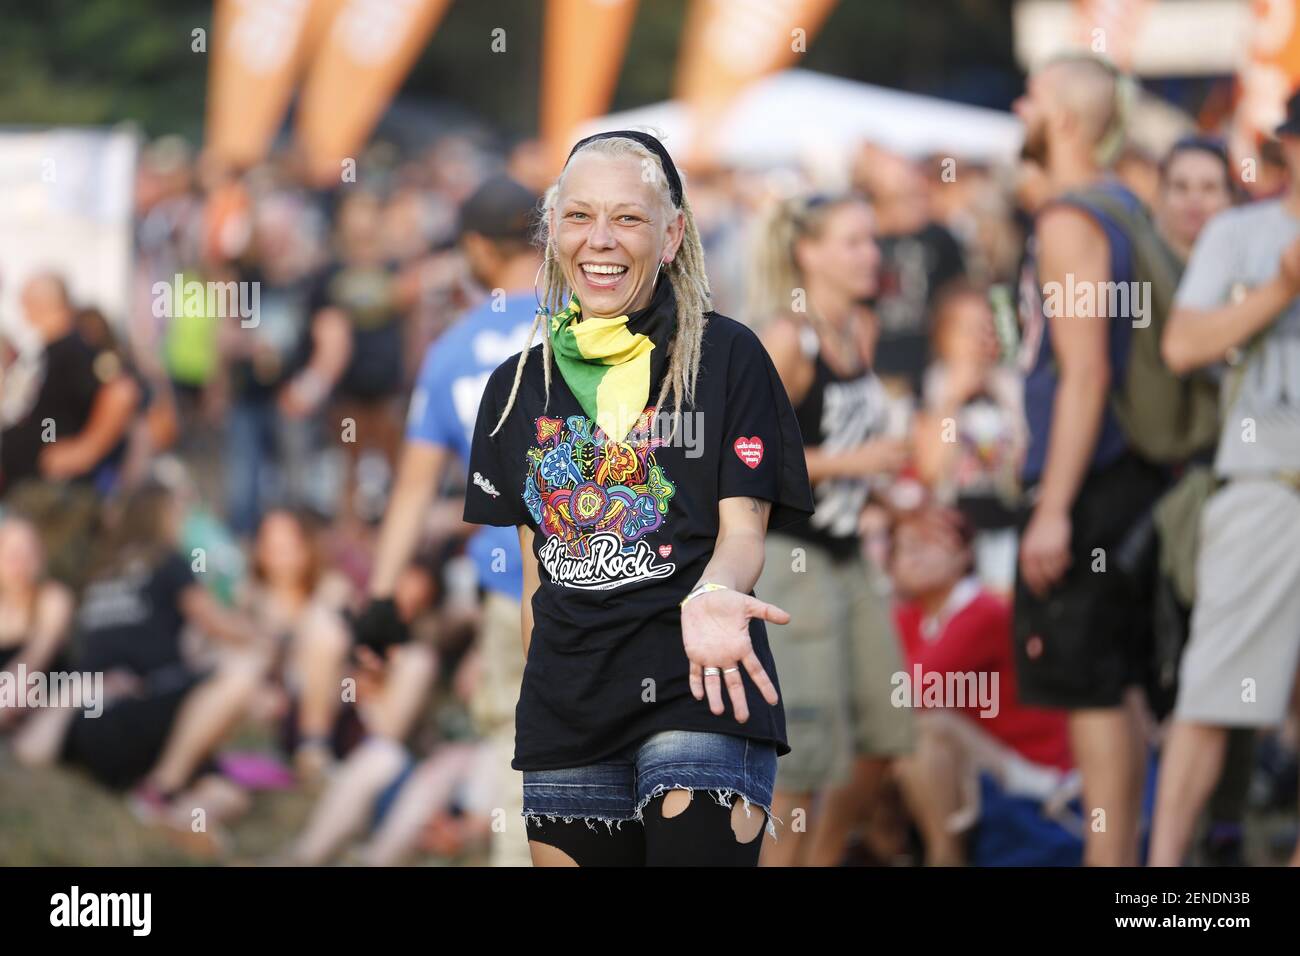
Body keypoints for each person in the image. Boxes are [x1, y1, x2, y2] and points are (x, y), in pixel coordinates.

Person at [463, 130, 814, 866]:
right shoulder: (514, 390)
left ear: (672, 233)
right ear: (552, 229)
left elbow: (743, 528)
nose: (601, 240)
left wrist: (716, 594)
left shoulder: (726, 356)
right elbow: (538, 578)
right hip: (571, 706)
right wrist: (543, 707)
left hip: (700, 684)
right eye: (579, 216)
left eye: (628, 218)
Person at [356, 174, 543, 866]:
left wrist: (379, 598)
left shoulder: (451, 351)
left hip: (506, 589)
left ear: (475, 249)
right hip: (610, 578)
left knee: (519, 753)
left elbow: (411, 492)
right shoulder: (596, 325)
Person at [1011, 52, 1168, 866]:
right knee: (1124, 688)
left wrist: (1053, 507)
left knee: (1093, 692)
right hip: (1128, 479)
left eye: (1030, 97)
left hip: (1093, 483)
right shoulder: (1127, 206)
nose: (1017, 108)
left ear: (1064, 118)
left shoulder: (1070, 218)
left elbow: (1085, 374)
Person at [1149, 91, 1300, 867]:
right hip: (1266, 480)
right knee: (1211, 692)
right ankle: (1161, 879)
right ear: (1288, 149)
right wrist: (1280, 287)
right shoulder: (1245, 234)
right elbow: (1182, 345)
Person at [750, 192, 915, 866]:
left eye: (872, 240)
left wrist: (892, 499)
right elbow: (744, 456)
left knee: (886, 727)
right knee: (801, 757)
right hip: (793, 557)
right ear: (807, 252)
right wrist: (855, 462)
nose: (869, 254)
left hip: (848, 553)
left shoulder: (860, 331)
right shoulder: (790, 337)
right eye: (852, 242)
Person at [12, 482, 271, 847]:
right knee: (241, 671)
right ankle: (160, 793)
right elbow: (219, 625)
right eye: (180, 514)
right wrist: (269, 637)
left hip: (86, 727)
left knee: (231, 795)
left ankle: (177, 819)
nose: (184, 524)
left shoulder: (102, 571)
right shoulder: (167, 560)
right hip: (134, 709)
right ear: (162, 515)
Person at [888, 507, 1074, 866]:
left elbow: (904, 693)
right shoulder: (910, 615)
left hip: (1030, 765)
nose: (913, 556)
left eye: (928, 542)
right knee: (877, 741)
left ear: (965, 552)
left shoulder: (983, 610)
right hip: (976, 758)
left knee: (922, 729)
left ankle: (945, 858)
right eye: (902, 547)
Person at [0, 274, 141, 587]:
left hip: (56, 500)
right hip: (30, 492)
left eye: (26, 301)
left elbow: (122, 392)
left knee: (51, 583)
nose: (21, 309)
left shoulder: (74, 349)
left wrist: (85, 450)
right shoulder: (44, 351)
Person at [913, 280, 1026, 594]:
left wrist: (1002, 395)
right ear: (942, 336)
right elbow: (930, 469)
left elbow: (1023, 463)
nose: (977, 340)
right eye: (965, 329)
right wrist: (953, 400)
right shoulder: (934, 387)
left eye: (986, 329)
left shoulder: (1012, 385)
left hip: (1006, 524)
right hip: (954, 530)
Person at [0, 516, 74, 731]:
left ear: (40, 557)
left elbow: (33, 663)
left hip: (33, 708)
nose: (19, 561)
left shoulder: (52, 598)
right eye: (11, 553)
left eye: (27, 552)